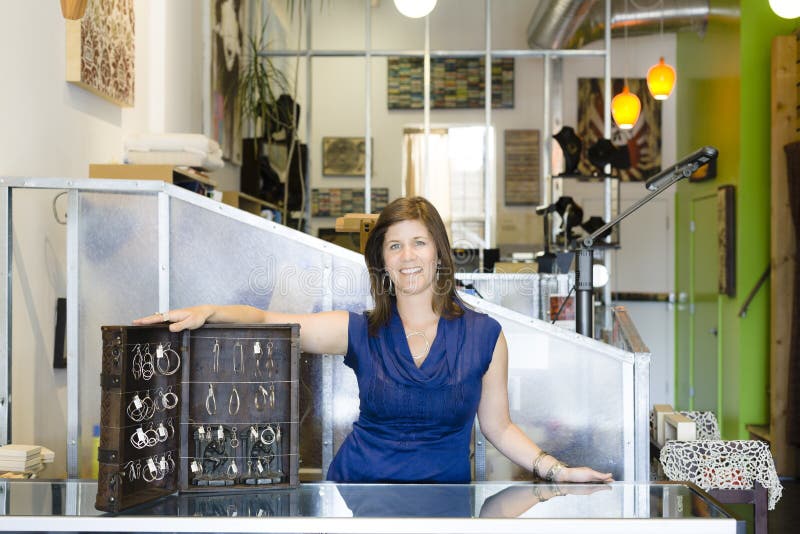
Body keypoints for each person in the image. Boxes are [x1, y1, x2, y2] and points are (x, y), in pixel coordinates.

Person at [135, 196, 612, 484]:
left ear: (440, 254)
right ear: (381, 261)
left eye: (419, 242)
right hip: (358, 498)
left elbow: (499, 427)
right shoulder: (360, 330)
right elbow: (268, 319)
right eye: (395, 245)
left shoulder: (486, 336)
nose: (408, 256)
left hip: (443, 509)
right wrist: (209, 312)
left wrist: (556, 470)